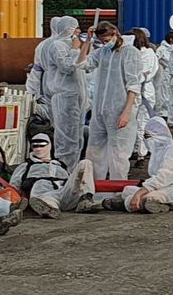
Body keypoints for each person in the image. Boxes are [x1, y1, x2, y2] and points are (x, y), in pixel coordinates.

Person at [83, 20, 144, 181]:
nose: (105, 44)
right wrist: (88, 41)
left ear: (115, 34)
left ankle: (117, 188)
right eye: (102, 41)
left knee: (118, 154)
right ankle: (95, 186)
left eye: (106, 40)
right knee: (94, 152)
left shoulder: (130, 53)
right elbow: (82, 64)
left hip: (120, 109)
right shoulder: (103, 52)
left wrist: (126, 112)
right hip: (100, 110)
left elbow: (133, 85)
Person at [33, 16, 88, 169]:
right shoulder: (57, 45)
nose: (78, 31)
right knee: (66, 137)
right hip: (65, 96)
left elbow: (82, 67)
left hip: (75, 96)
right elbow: (67, 67)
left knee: (76, 137)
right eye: (75, 28)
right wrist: (75, 49)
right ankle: (63, 170)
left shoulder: (70, 44)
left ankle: (72, 169)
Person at [129, 28, 161, 162]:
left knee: (142, 122)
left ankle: (141, 152)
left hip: (144, 91)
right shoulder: (133, 53)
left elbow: (143, 73)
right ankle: (135, 149)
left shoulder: (147, 53)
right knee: (132, 122)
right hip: (134, 90)